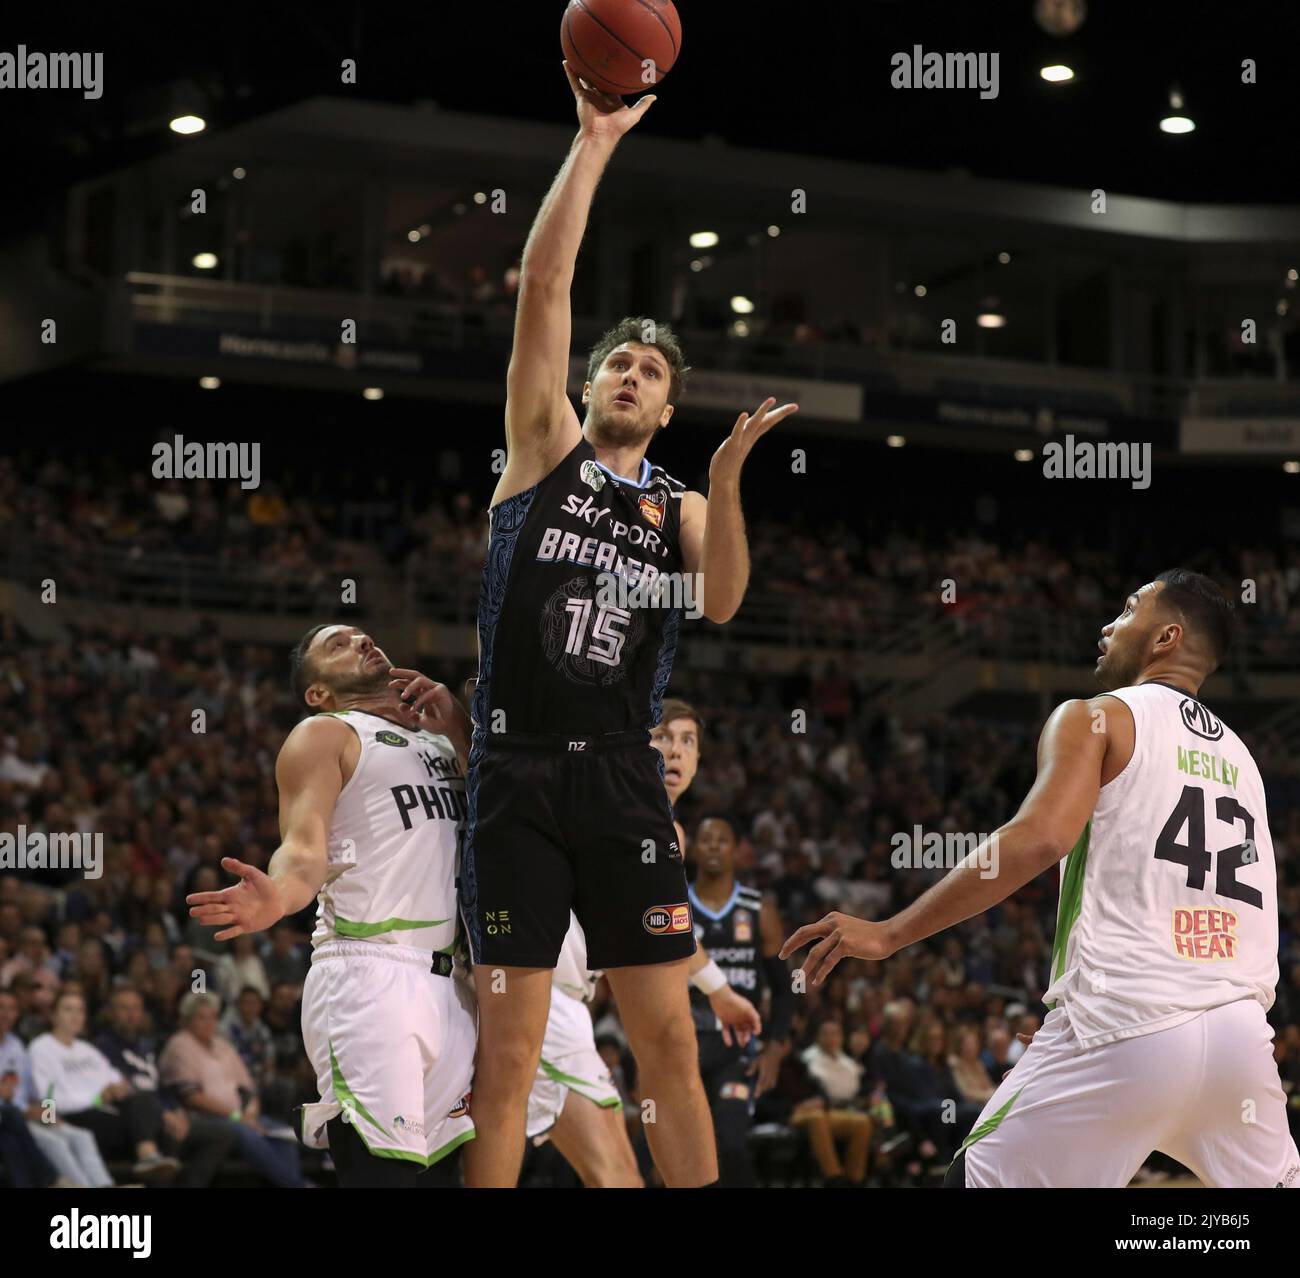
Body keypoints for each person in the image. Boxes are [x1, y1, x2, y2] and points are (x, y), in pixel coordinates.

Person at [459, 61, 796, 1189]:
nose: (628, 374)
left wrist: (729, 478)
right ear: (590, 384)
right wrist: (593, 143)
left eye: (649, 370)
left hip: (617, 780)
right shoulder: (539, 452)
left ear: (664, 405)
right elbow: (542, 286)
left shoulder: (681, 506)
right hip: (511, 774)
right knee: (504, 1062)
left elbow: (724, 600)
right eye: (616, 360)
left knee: (666, 1046)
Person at [786, 570, 1300, 1188]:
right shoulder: (1246, 761)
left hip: (1124, 1023)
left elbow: (1040, 838)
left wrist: (892, 932)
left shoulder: (1095, 717)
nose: (1108, 625)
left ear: (1166, 636)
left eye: (1130, 607)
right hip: (1239, 1045)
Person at [186, 627, 475, 1186]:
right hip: (373, 973)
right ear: (317, 692)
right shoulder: (325, 734)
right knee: (381, 1179)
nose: (362, 641)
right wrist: (281, 896)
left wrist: (463, 732)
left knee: (441, 1180)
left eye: (363, 636)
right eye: (337, 645)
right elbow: (303, 847)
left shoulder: (440, 739)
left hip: (453, 985)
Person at [524, 699, 760, 1187]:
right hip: (534, 995)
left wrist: (718, 991)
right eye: (662, 737)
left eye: (687, 741)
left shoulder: (666, 830)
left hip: (564, 1005)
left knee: (618, 1177)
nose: (675, 751)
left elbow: (659, 933)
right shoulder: (602, 801)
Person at [688, 816, 792, 1186]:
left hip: (738, 1050)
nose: (714, 846)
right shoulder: (675, 906)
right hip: (685, 1044)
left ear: (736, 851)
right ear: (694, 849)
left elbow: (784, 990)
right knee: (674, 1151)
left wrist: (775, 1048)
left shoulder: (758, 911)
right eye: (706, 839)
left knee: (728, 1144)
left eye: (722, 840)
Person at [29, 988, 181, 1184]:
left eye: (80, 1010)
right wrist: (97, 1097)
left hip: (105, 1113)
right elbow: (47, 1099)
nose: (75, 1016)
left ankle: (148, 1156)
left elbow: (117, 1079)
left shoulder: (87, 1050)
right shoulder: (41, 1048)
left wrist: (117, 1089)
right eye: (68, 1009)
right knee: (154, 1127)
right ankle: (146, 1156)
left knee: (145, 1102)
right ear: (53, 1015)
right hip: (72, 1117)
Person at [159, 991, 308, 1188]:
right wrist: (238, 1116)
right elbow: (192, 1097)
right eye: (201, 1017)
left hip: (240, 1115)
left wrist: (250, 1112)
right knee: (246, 1134)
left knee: (282, 1135)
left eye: (213, 1017)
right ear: (187, 1019)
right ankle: (299, 1185)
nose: (208, 1023)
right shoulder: (179, 1045)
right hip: (205, 1117)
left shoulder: (223, 1046)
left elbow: (248, 1088)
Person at [96, 986, 239, 1188]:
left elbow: (161, 1087)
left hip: (162, 1114)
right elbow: (126, 1091)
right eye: (124, 1009)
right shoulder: (102, 1047)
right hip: (131, 1122)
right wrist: (165, 1114)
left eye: (136, 1008)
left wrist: (176, 1110)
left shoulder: (146, 1046)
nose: (131, 1015)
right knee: (169, 1134)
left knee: (224, 1133)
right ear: (111, 1013)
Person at [0, 987, 111, 1186]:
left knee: (81, 1136)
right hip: (15, 1116)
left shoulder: (16, 1046)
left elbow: (33, 1093)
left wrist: (45, 1114)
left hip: (31, 1114)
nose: (6, 1014)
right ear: (53, 1015)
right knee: (53, 1140)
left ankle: (105, 1185)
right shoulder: (40, 1047)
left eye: (11, 1009)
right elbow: (46, 1090)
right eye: (1, 1008)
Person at [797, 1017, 874, 1186]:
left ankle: (854, 1179)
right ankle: (834, 1178)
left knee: (863, 1122)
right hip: (817, 1111)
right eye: (826, 1034)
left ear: (841, 1037)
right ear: (817, 1037)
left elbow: (854, 1090)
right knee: (818, 1119)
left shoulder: (848, 1062)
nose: (831, 1038)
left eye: (835, 1034)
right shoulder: (806, 1060)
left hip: (842, 1110)